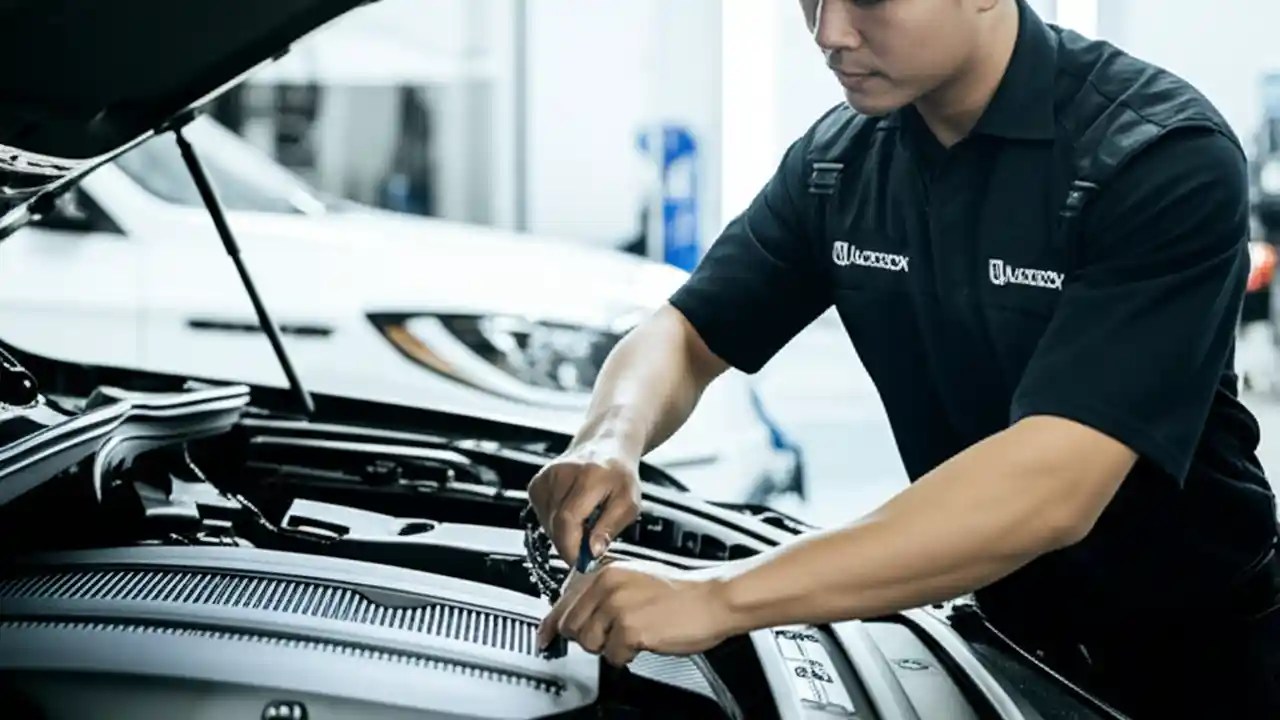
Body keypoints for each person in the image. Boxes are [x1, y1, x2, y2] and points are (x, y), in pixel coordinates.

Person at [526, 0, 1280, 716]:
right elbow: (687, 332)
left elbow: (1055, 486)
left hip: (1198, 655)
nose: (829, 34)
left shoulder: (1156, 154)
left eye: (871, 1)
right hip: (1000, 635)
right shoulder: (840, 163)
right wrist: (609, 439)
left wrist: (715, 596)